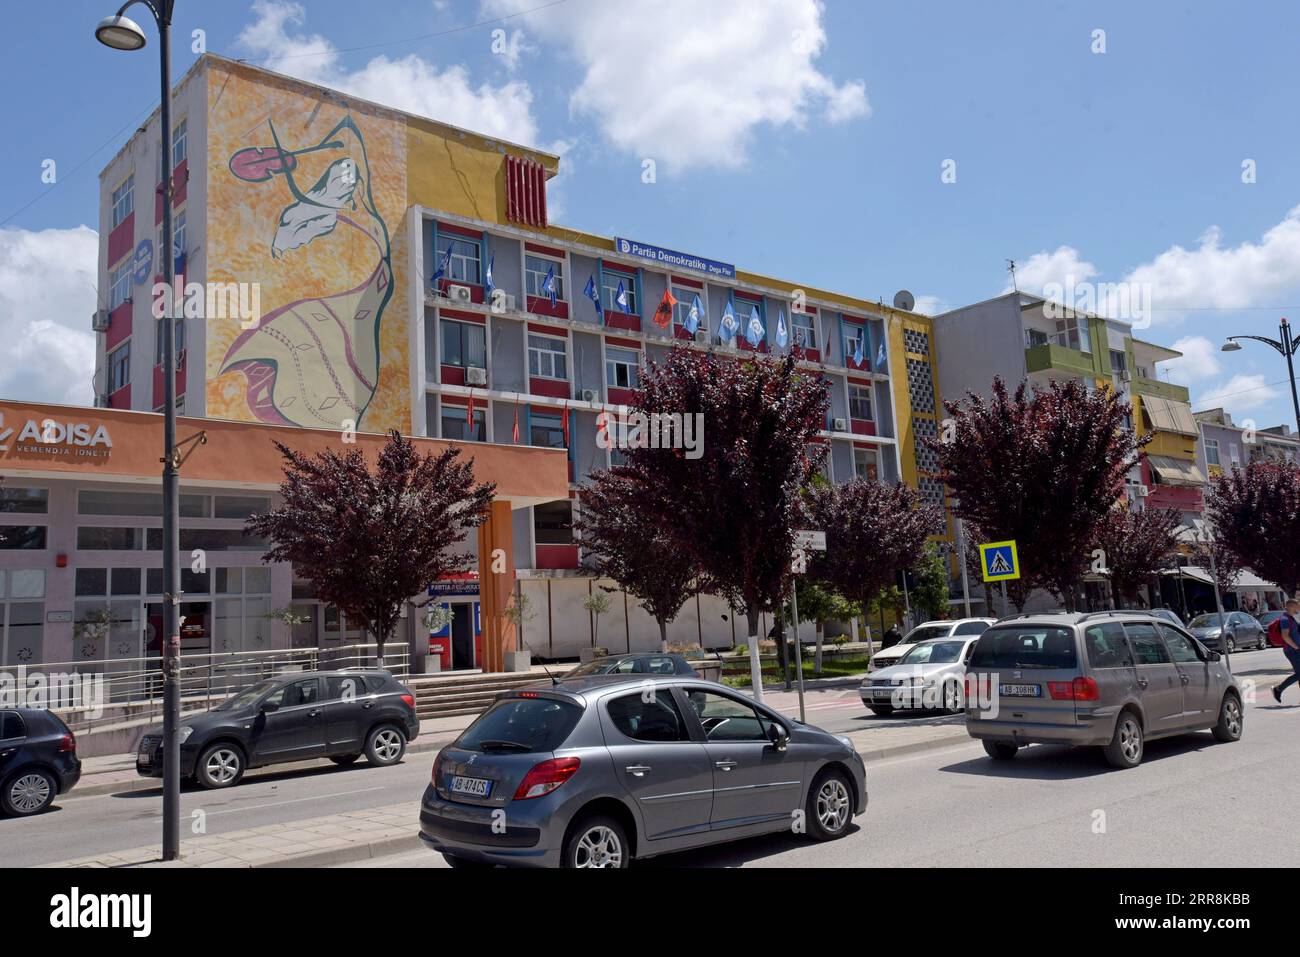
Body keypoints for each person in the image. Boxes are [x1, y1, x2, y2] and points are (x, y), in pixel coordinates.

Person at [1271, 599, 1300, 703]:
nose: (1299, 609)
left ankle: (1279, 689)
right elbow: (1285, 636)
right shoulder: (1285, 619)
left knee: (1299, 673)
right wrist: (1296, 647)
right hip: (1292, 651)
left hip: (1295, 650)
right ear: (1292, 606)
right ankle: (1278, 689)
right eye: (1298, 606)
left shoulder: (1291, 618)